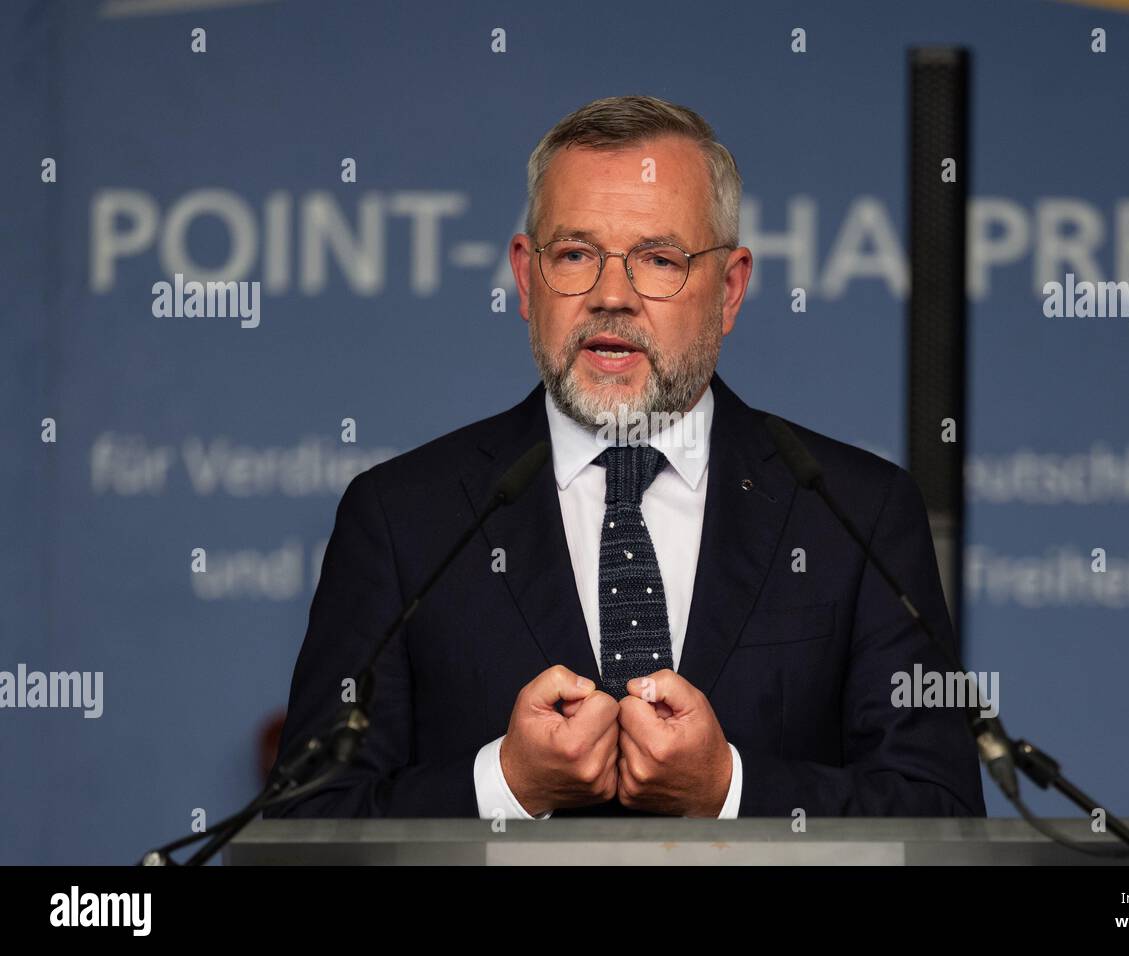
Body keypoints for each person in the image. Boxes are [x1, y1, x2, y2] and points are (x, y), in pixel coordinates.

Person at [266, 94, 985, 821]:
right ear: (525, 278)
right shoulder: (402, 517)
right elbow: (306, 824)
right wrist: (504, 786)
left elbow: (941, 815)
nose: (612, 296)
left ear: (730, 291)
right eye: (575, 255)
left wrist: (729, 790)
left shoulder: (855, 514)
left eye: (659, 259)